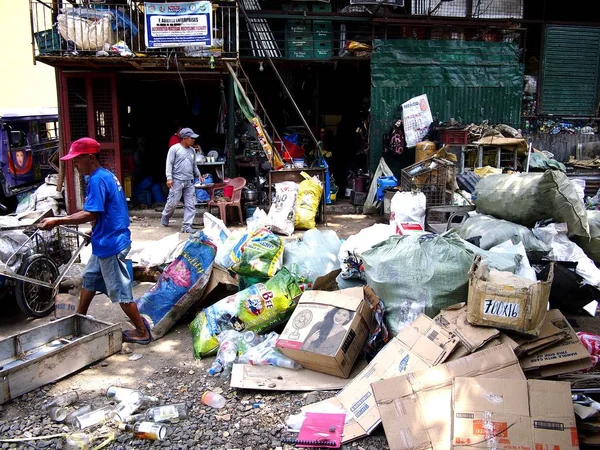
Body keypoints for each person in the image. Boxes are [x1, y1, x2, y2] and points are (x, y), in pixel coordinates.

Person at [39, 137, 151, 345]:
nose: (75, 165)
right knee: (90, 279)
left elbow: (91, 212)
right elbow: (106, 211)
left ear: (90, 158)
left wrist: (58, 220)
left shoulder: (98, 179)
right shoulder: (104, 175)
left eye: (77, 160)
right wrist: (95, 230)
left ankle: (142, 331)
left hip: (112, 243)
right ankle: (79, 319)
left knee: (120, 291)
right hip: (105, 239)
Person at [161, 127, 202, 233]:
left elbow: (194, 165)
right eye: (191, 138)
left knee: (190, 204)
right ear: (184, 138)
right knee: (173, 203)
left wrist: (199, 174)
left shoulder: (192, 150)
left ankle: (187, 226)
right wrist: (169, 178)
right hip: (177, 180)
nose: (193, 140)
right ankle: (165, 215)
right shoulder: (174, 149)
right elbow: (169, 164)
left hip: (189, 181)